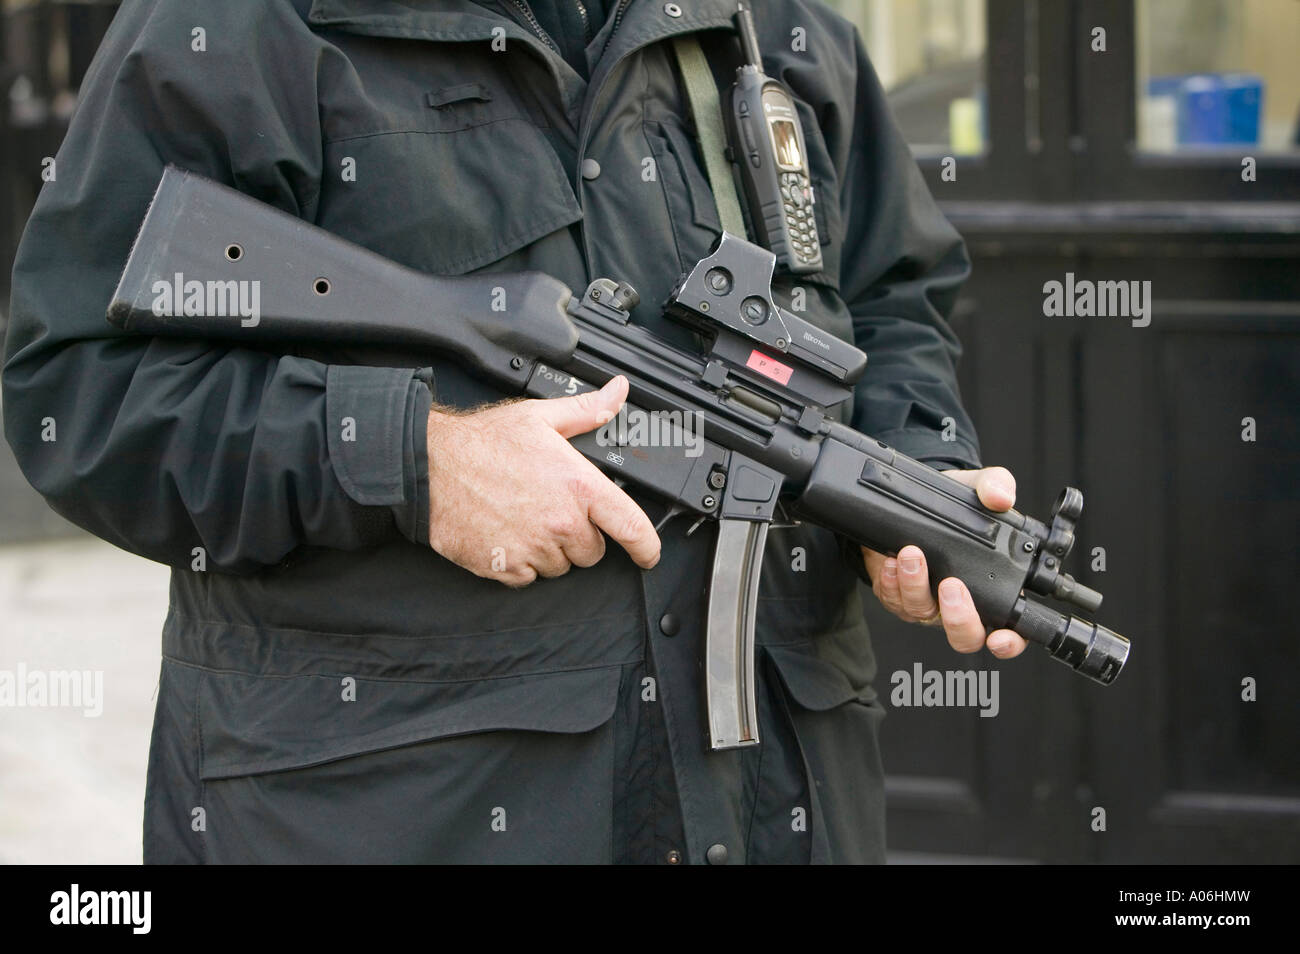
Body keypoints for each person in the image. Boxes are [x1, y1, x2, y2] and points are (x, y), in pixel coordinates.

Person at [3, 0, 1024, 864]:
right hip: (391, 816)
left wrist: (916, 465)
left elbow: (888, 302)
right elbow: (80, 386)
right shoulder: (243, 23)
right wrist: (418, 459)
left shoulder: (776, 26)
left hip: (774, 809)